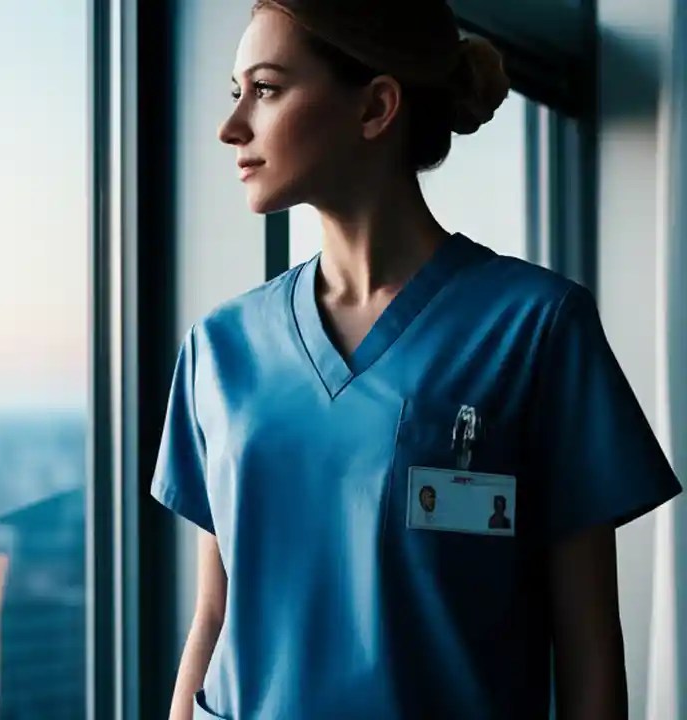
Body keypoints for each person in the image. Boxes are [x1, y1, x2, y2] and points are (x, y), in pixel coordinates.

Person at [149, 1, 683, 718]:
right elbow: (213, 617)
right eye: (234, 92)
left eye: (267, 89)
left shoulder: (535, 329)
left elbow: (589, 652)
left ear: (375, 107)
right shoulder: (219, 349)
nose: (232, 125)